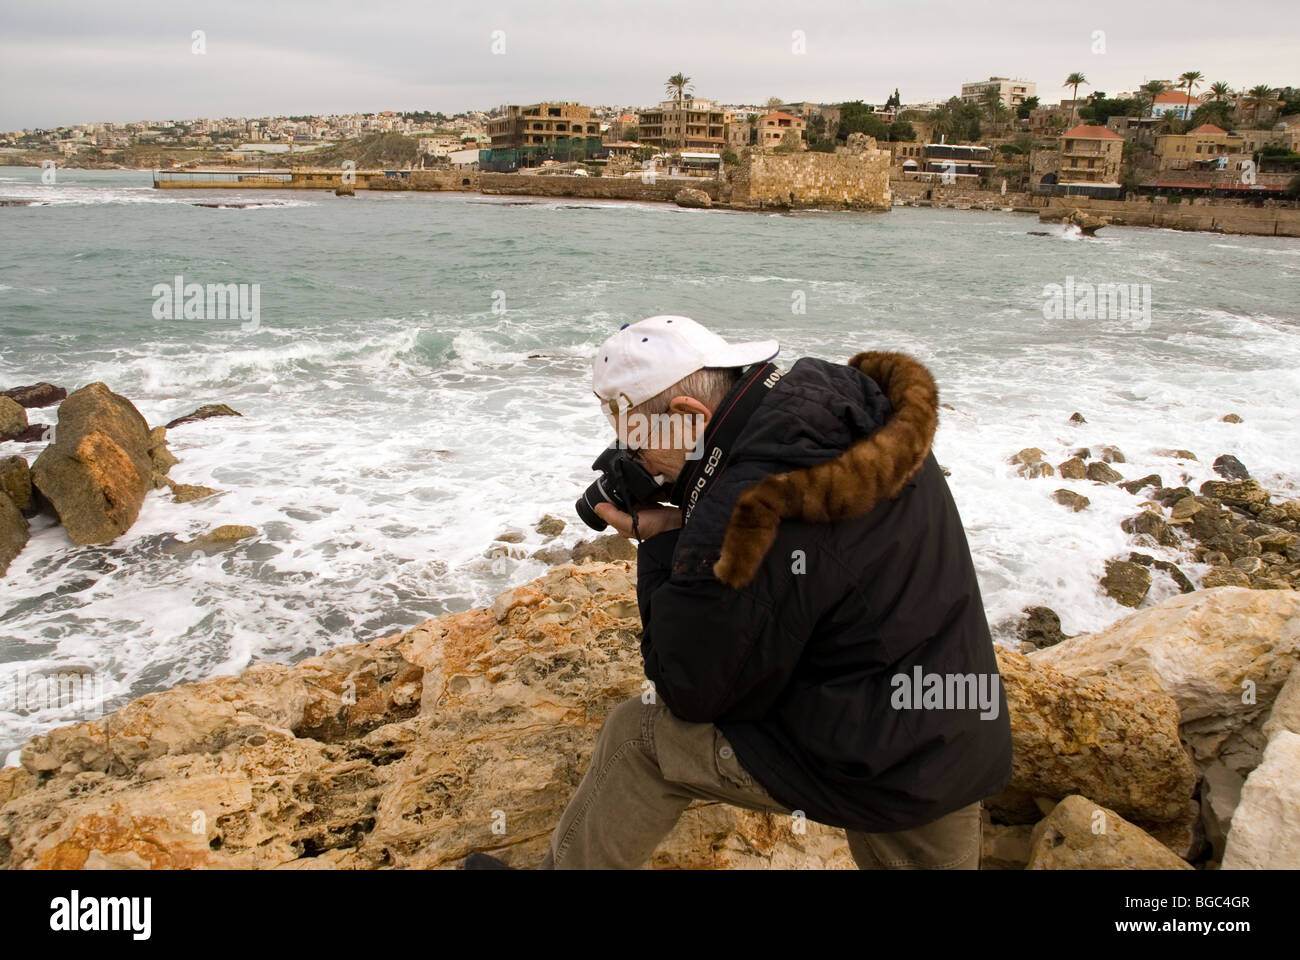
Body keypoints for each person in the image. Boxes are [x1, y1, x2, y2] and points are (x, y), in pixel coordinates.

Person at [467, 314, 1012, 870]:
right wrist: (701, 485)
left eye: (637, 447)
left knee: (640, 736)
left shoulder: (746, 514)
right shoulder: (844, 410)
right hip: (954, 725)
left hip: (880, 762)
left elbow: (688, 688)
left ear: (688, 416)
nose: (640, 466)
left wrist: (664, 540)